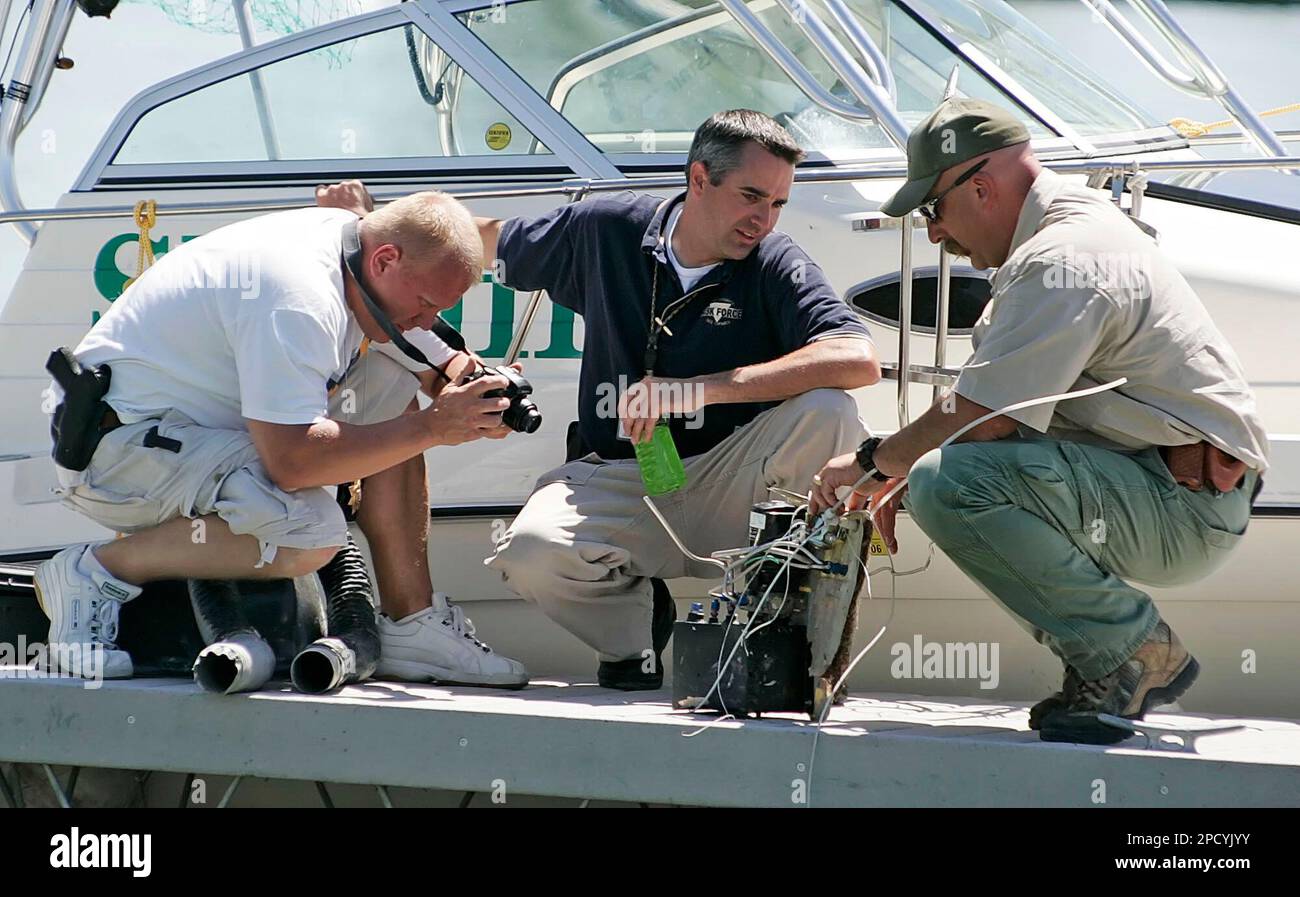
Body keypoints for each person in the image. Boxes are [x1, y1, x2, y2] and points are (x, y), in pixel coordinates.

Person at [809, 98, 1268, 743]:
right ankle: (1112, 662)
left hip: (1183, 505)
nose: (935, 233)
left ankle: (1129, 652)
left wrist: (872, 461)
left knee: (950, 481)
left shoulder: (1061, 259)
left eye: (933, 211)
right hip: (1171, 485)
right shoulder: (1073, 229)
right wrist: (902, 464)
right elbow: (999, 418)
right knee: (944, 470)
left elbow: (984, 416)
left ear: (981, 187)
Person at [36, 191, 529, 687]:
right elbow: (293, 462)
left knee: (394, 380)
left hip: (191, 434)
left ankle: (409, 624)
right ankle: (94, 572)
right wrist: (432, 426)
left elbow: (420, 348)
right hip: (119, 454)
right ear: (385, 260)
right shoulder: (296, 297)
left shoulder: (352, 241)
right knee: (312, 532)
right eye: (424, 304)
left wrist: (472, 386)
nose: (426, 319)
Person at [478, 109, 880, 689]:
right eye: (750, 196)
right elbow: (481, 240)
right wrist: (363, 227)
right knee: (530, 553)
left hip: (735, 481)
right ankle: (634, 640)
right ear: (698, 179)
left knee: (831, 410)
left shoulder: (775, 260)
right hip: (624, 474)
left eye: (777, 204)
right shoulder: (605, 227)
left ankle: (779, 624)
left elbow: (858, 359)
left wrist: (700, 390)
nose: (762, 220)